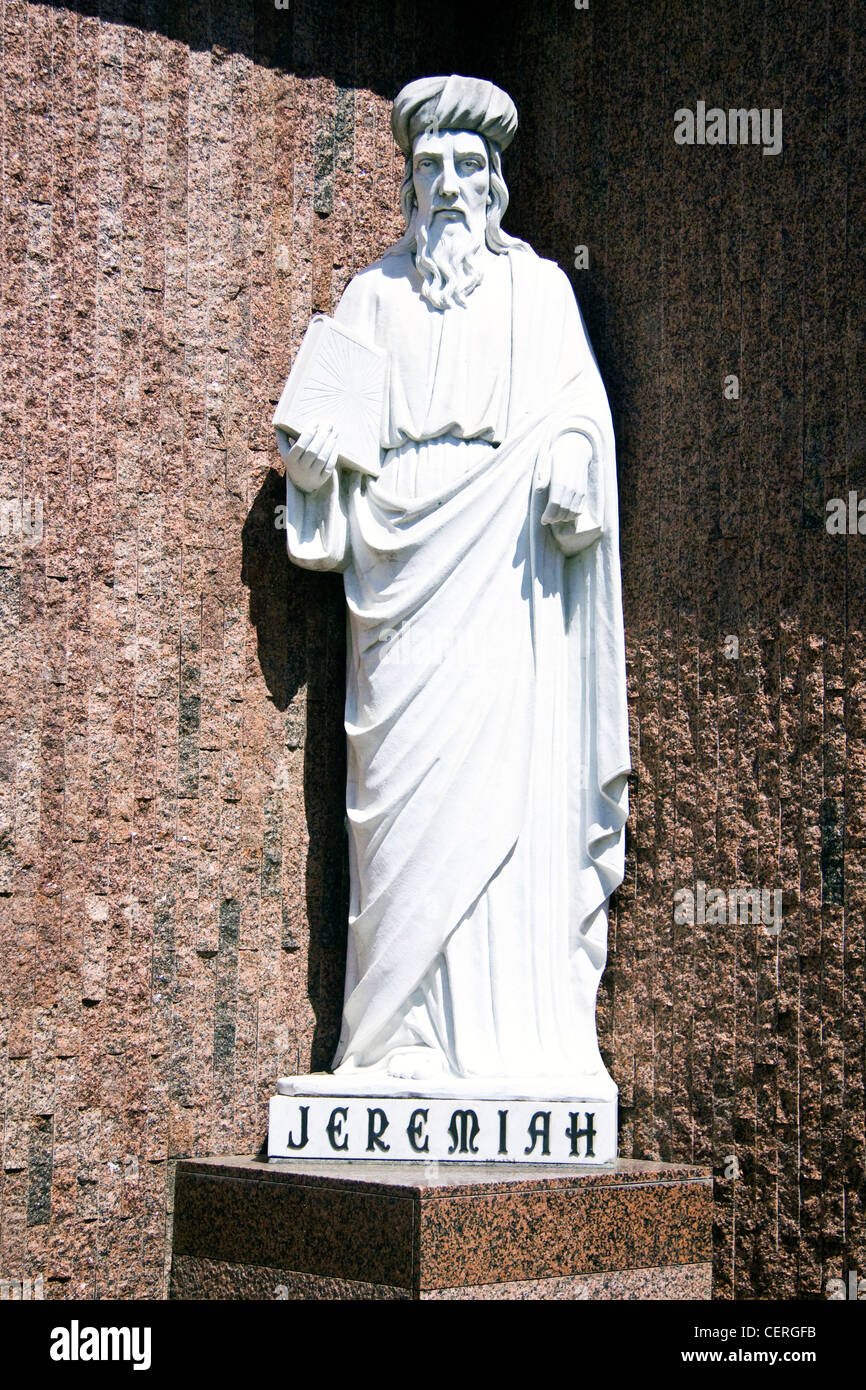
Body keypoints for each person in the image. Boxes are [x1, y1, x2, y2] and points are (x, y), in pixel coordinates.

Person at [275, 75, 630, 1097]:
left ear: (496, 183)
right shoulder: (372, 299)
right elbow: (324, 459)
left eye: (466, 167)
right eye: (427, 167)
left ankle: (509, 1042)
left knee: (504, 797)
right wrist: (311, 466)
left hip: (508, 567)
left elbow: (579, 419)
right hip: (399, 570)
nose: (447, 185)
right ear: (407, 185)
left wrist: (569, 460)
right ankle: (392, 1044)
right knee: (397, 816)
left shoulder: (540, 292)